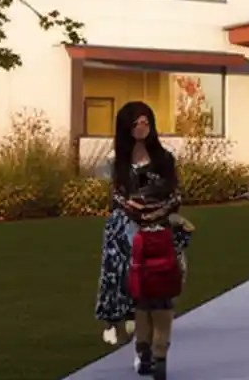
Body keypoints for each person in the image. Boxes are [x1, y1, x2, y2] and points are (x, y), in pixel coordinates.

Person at [94, 101, 188, 380]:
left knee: (160, 293)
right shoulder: (116, 161)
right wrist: (135, 211)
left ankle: (156, 351)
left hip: (159, 231)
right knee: (136, 292)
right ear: (126, 127)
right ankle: (139, 345)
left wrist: (156, 213)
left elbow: (175, 194)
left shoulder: (164, 158)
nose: (141, 127)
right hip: (127, 231)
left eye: (145, 122)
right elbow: (117, 197)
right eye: (135, 123)